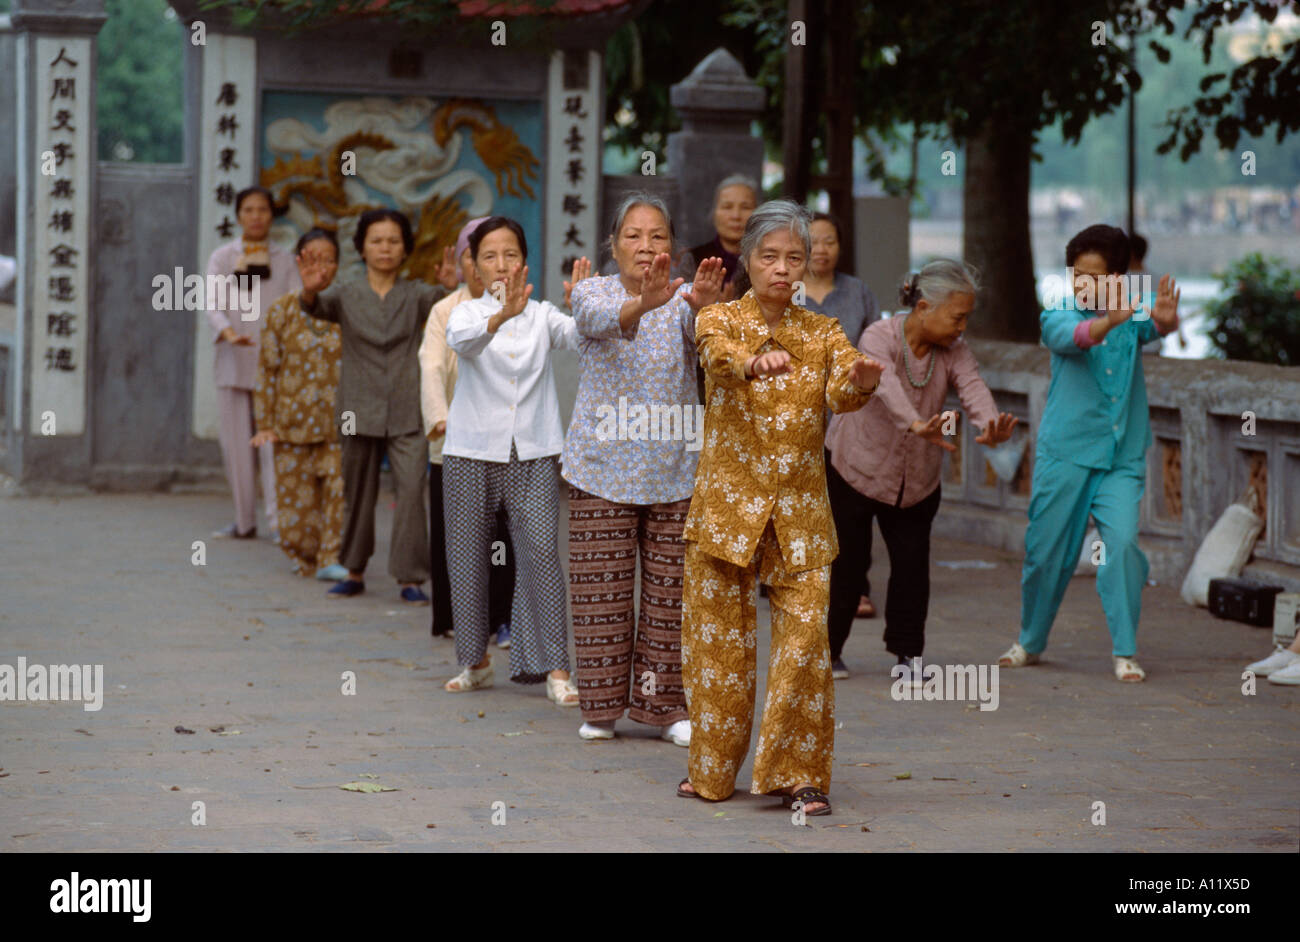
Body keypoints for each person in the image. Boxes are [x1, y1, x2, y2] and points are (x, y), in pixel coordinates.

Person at [677, 200, 884, 816]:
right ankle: (712, 771)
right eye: (769, 256)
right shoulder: (719, 320)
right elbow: (717, 357)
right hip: (726, 511)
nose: (783, 268)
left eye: (795, 257)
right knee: (718, 648)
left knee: (803, 647)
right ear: (748, 259)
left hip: (800, 515)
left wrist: (864, 381)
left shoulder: (822, 331)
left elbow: (844, 385)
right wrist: (749, 361)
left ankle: (799, 776)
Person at [563, 193, 724, 745]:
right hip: (601, 468)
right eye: (633, 235)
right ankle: (601, 707)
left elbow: (710, 348)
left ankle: (666, 709)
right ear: (613, 244)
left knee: (670, 597)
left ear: (673, 247)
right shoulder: (593, 292)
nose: (646, 246)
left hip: (675, 468)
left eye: (657, 236)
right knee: (599, 595)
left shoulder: (684, 299)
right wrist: (642, 304)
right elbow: (599, 321)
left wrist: (704, 308)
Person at [999, 224, 1180, 682]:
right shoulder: (1058, 311)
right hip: (1067, 453)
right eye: (1077, 273)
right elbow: (1073, 337)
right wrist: (1107, 321)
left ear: (1118, 276)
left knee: (1121, 546)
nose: (1083, 283)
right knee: (1047, 554)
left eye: (1094, 275)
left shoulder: (1131, 311)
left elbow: (1150, 328)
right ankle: (1031, 640)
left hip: (1121, 456)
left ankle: (1125, 651)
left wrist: (1165, 321)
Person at [825, 260, 1017, 681]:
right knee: (848, 565)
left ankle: (908, 656)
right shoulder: (878, 335)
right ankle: (830, 651)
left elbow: (973, 387)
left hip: (918, 478)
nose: (962, 327)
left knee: (912, 565)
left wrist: (988, 425)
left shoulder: (955, 351)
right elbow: (885, 385)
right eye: (957, 316)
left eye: (966, 317)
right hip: (856, 465)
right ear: (924, 307)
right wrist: (914, 423)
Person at [440, 216, 583, 705]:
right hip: (470, 450)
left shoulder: (543, 315)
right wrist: (500, 315)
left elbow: (582, 337)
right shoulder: (465, 313)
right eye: (489, 256)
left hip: (534, 450)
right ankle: (475, 662)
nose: (501, 265)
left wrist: (584, 306)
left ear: (525, 261)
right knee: (467, 558)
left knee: (542, 553)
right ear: (475, 267)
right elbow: (465, 343)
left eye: (510, 254)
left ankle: (556, 668)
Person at [298, 208, 457, 603]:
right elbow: (314, 306)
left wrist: (455, 288)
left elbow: (450, 312)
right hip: (356, 408)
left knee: (411, 490)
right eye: (376, 240)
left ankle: (410, 577)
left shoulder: (417, 294)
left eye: (393, 240)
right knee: (357, 492)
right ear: (362, 248)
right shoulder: (345, 293)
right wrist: (310, 289)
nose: (385, 248)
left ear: (405, 249)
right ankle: (353, 569)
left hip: (407, 408)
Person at [419, 217, 518, 642]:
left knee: (501, 537)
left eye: (504, 254)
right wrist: (438, 416)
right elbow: (431, 365)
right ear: (468, 263)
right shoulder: (447, 310)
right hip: (454, 441)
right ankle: (454, 618)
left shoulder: (518, 307)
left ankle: (501, 616)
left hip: (504, 442)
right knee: (453, 537)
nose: (490, 265)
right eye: (479, 255)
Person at [251, 228, 348, 581]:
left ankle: (329, 557)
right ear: (298, 261)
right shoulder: (282, 310)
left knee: (338, 495)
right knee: (297, 511)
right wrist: (264, 423)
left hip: (339, 425)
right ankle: (305, 555)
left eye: (328, 259)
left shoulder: (347, 308)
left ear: (338, 265)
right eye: (312, 258)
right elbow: (266, 369)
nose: (321, 266)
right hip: (291, 425)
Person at [205, 186, 301, 539]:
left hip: (273, 365)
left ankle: (279, 523)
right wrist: (228, 332)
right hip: (233, 361)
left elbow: (294, 304)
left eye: (262, 209)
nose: (256, 216)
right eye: (249, 210)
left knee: (272, 448)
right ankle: (244, 522)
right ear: (238, 215)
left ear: (272, 215)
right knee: (236, 449)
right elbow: (213, 302)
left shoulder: (285, 259)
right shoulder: (223, 258)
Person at [804, 210, 882, 621]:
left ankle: (856, 588)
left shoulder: (858, 292)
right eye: (813, 241)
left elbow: (874, 348)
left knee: (847, 507)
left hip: (848, 415)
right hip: (797, 414)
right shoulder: (788, 289)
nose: (822, 250)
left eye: (830, 241)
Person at [686, 175, 758, 291]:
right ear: (713, 213)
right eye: (727, 207)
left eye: (745, 207)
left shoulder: (766, 260)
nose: (736, 216)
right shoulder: (693, 259)